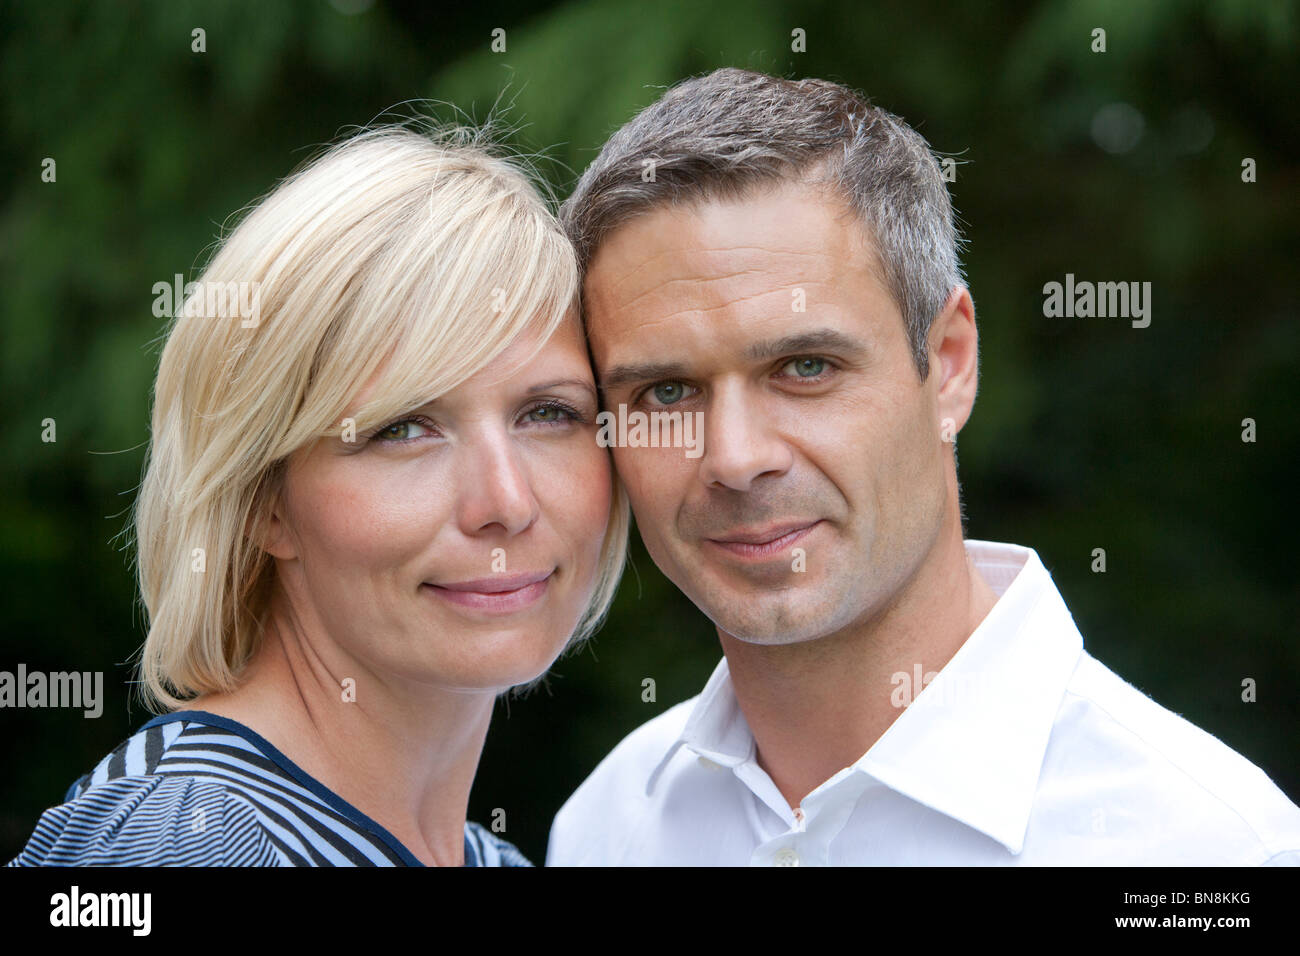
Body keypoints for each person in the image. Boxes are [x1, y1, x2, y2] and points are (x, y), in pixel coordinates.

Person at [546, 68, 1300, 866]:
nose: (736, 459)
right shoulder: (606, 826)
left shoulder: (1207, 853)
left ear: (949, 364)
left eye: (806, 368)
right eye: (666, 392)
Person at [7, 123, 628, 867]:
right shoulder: (186, 841)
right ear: (266, 500)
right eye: (403, 429)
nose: (505, 501)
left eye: (548, 413)